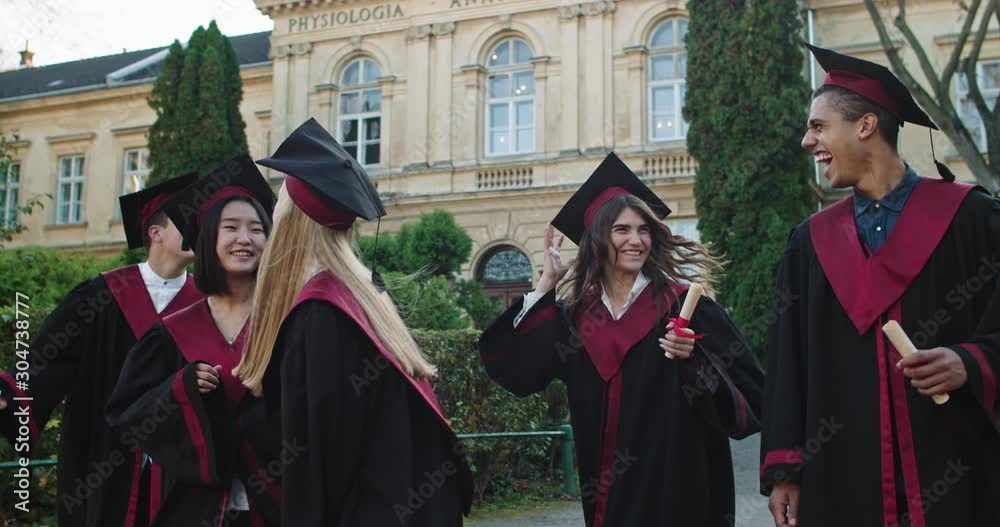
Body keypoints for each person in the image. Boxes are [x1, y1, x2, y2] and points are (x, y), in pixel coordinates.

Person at [761, 45, 1000, 527]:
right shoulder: (810, 244)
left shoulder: (972, 220)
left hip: (957, 469)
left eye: (818, 125)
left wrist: (971, 362)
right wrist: (784, 469)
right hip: (844, 475)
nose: (808, 141)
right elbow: (788, 362)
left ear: (865, 126)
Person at [478, 152, 765, 527]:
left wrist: (695, 359)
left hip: (683, 489)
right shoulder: (574, 319)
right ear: (597, 239)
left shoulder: (686, 307)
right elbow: (514, 370)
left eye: (643, 229)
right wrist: (545, 285)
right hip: (607, 495)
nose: (636, 240)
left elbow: (751, 394)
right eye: (622, 230)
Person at [234, 117, 473, 526]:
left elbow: (314, 464)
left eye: (279, 204)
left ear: (294, 222)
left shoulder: (320, 317)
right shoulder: (361, 299)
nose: (271, 214)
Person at [0, 174, 202, 527]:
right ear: (154, 233)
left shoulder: (207, 303)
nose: (197, 226)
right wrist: (14, 395)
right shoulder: (101, 295)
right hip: (104, 459)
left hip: (180, 467)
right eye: (185, 219)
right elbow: (49, 362)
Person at [106, 154, 280, 526]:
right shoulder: (174, 331)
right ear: (208, 238)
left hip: (281, 504)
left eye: (257, 229)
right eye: (230, 227)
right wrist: (180, 389)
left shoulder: (290, 319)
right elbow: (127, 412)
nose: (244, 239)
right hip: (195, 509)